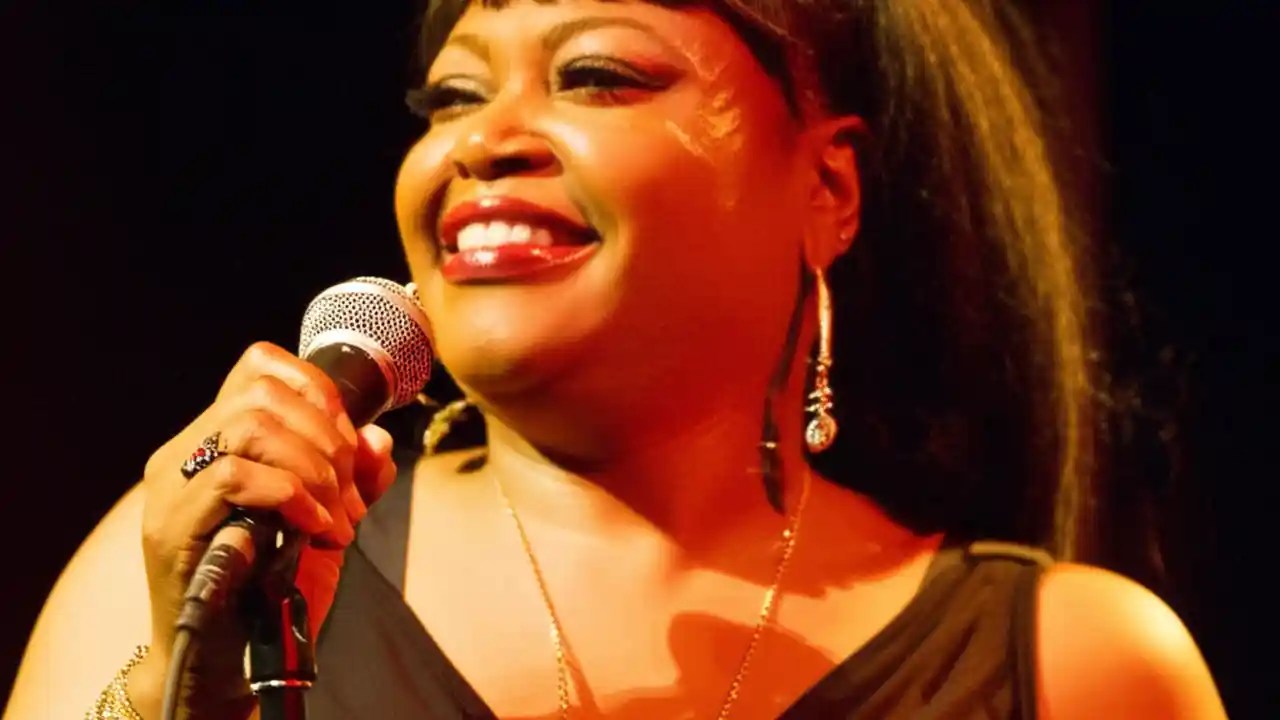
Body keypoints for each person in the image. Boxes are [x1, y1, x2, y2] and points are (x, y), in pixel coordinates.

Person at [7, 0, 1228, 718]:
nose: (482, 141)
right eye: (447, 100)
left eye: (594, 75)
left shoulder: (1077, 664)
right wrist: (183, 677)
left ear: (825, 188)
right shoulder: (188, 559)